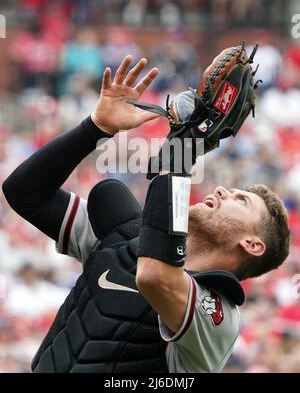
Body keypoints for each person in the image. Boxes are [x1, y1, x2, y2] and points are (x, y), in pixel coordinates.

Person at [2, 56, 290, 373]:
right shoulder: (126, 238)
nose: (222, 191)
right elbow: (25, 193)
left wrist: (183, 148)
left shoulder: (219, 315)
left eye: (241, 200)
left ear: (252, 244)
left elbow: (156, 276)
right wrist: (94, 128)